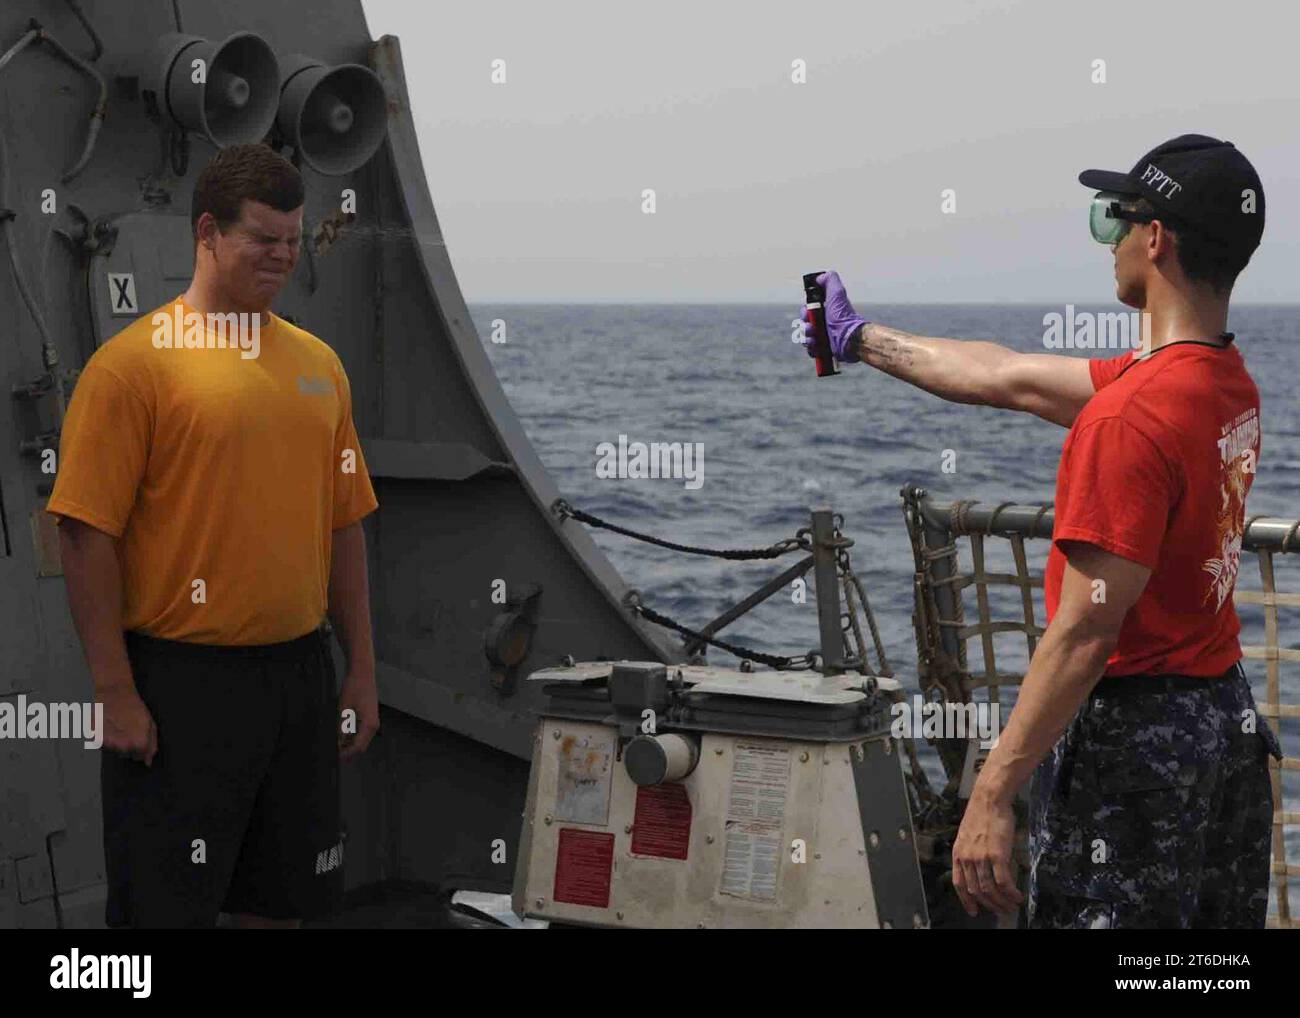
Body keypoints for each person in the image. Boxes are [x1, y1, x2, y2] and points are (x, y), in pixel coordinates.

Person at [800, 134, 1284, 928]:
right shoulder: (1222, 382)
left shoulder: (1129, 415)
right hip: (1220, 728)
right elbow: (1009, 377)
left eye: (1113, 221)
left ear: (1154, 237)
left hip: (1135, 749)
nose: (1111, 243)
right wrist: (861, 340)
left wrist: (992, 795)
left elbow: (1088, 630)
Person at [48, 142, 380, 928]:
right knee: (161, 912)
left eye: (294, 239)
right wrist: (115, 691)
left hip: (299, 676)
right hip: (181, 685)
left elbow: (345, 524)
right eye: (263, 238)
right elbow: (83, 532)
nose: (283, 256)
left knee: (285, 903)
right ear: (207, 232)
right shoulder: (134, 369)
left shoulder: (319, 367)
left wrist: (360, 671)